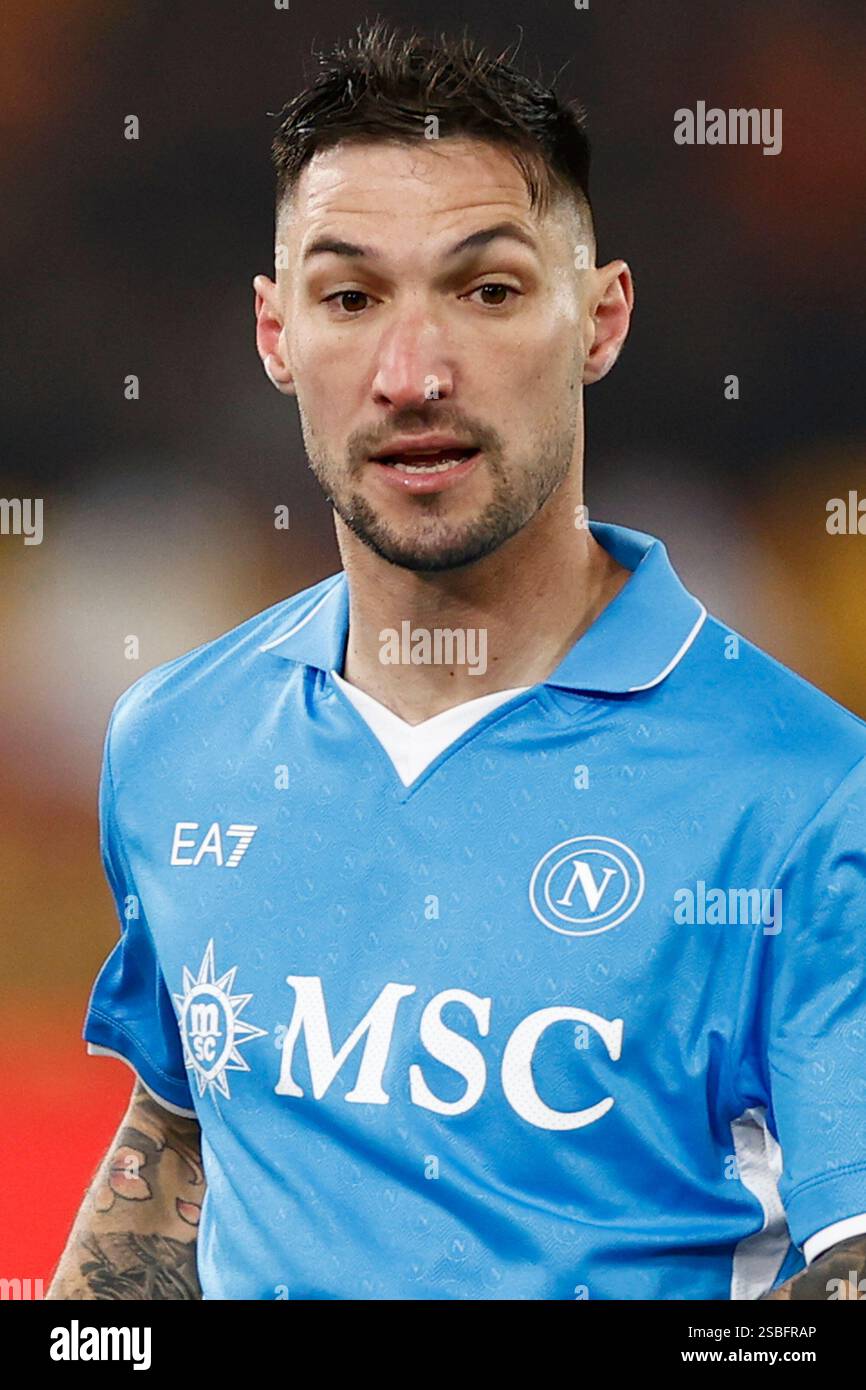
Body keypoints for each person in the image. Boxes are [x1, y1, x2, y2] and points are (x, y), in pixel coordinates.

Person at [49, 20, 866, 1301]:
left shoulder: (809, 797)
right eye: (349, 297)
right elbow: (190, 1133)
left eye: (486, 291)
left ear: (599, 320)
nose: (412, 374)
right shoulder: (173, 737)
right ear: (275, 336)